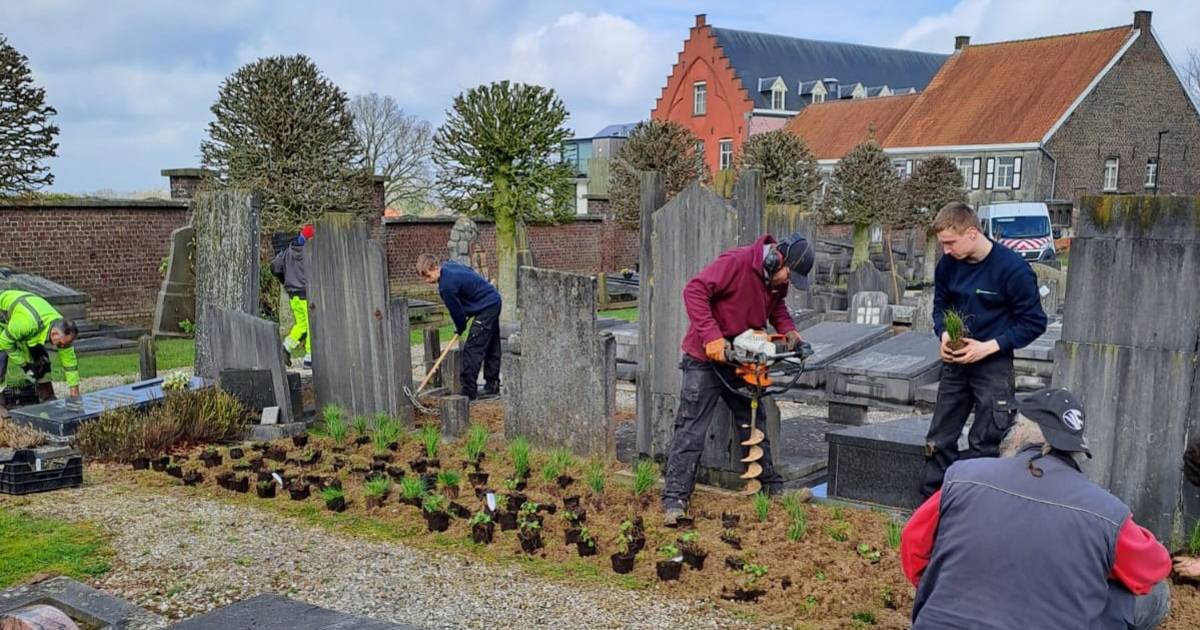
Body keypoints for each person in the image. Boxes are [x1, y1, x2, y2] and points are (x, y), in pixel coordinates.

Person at [901, 387, 1172, 629]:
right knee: (1155, 594)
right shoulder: (1106, 512)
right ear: (1075, 448)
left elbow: (914, 546)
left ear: (1019, 430)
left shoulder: (960, 477)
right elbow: (1153, 568)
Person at [661, 232, 815, 526]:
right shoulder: (737, 262)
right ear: (775, 259)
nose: (786, 282)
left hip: (742, 357)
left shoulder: (774, 281)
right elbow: (694, 291)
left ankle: (772, 487)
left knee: (753, 421)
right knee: (691, 427)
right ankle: (675, 499)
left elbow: (778, 308)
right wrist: (713, 338)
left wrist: (791, 332)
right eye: (788, 275)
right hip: (705, 359)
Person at [921, 201, 1047, 498]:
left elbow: (1033, 322)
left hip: (993, 364)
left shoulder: (1013, 270)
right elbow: (940, 308)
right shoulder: (948, 266)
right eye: (943, 245)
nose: (946, 250)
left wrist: (989, 347)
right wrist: (942, 335)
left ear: (973, 233)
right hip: (956, 361)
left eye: (950, 243)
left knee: (987, 441)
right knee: (939, 438)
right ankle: (930, 506)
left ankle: (978, 506)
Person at [417, 254, 501, 400]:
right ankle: (492, 385)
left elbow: (457, 313)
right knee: (492, 345)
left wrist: (460, 327)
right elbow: (469, 272)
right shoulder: (449, 266)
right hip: (493, 300)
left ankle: (468, 392)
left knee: (473, 349)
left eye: (428, 276)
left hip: (487, 307)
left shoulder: (446, 287)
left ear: (435, 267)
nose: (426, 281)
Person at [0, 289, 80, 418]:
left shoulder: (63, 330)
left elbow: (70, 363)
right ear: (54, 334)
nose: (63, 347)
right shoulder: (27, 324)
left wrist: (74, 391)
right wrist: (24, 364)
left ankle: (47, 397)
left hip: (23, 321)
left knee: (42, 360)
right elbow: (5, 341)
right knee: (0, 360)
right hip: (4, 317)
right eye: (60, 344)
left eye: (65, 344)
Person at [272, 224, 314, 368]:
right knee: (311, 325)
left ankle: (286, 347)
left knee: (301, 324)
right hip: (306, 293)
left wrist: (285, 280)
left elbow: (275, 267)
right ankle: (310, 357)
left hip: (292, 293)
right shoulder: (309, 253)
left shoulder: (287, 251)